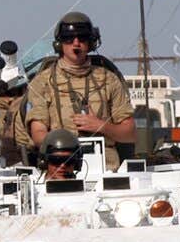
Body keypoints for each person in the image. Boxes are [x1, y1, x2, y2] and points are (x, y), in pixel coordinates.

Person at [25, 11, 135, 170]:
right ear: (59, 43)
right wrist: (62, 147)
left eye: (82, 37)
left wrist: (102, 126)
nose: (76, 43)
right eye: (69, 38)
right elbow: (38, 133)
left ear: (91, 42)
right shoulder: (43, 82)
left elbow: (130, 133)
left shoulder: (109, 79)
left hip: (107, 168)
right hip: (61, 168)